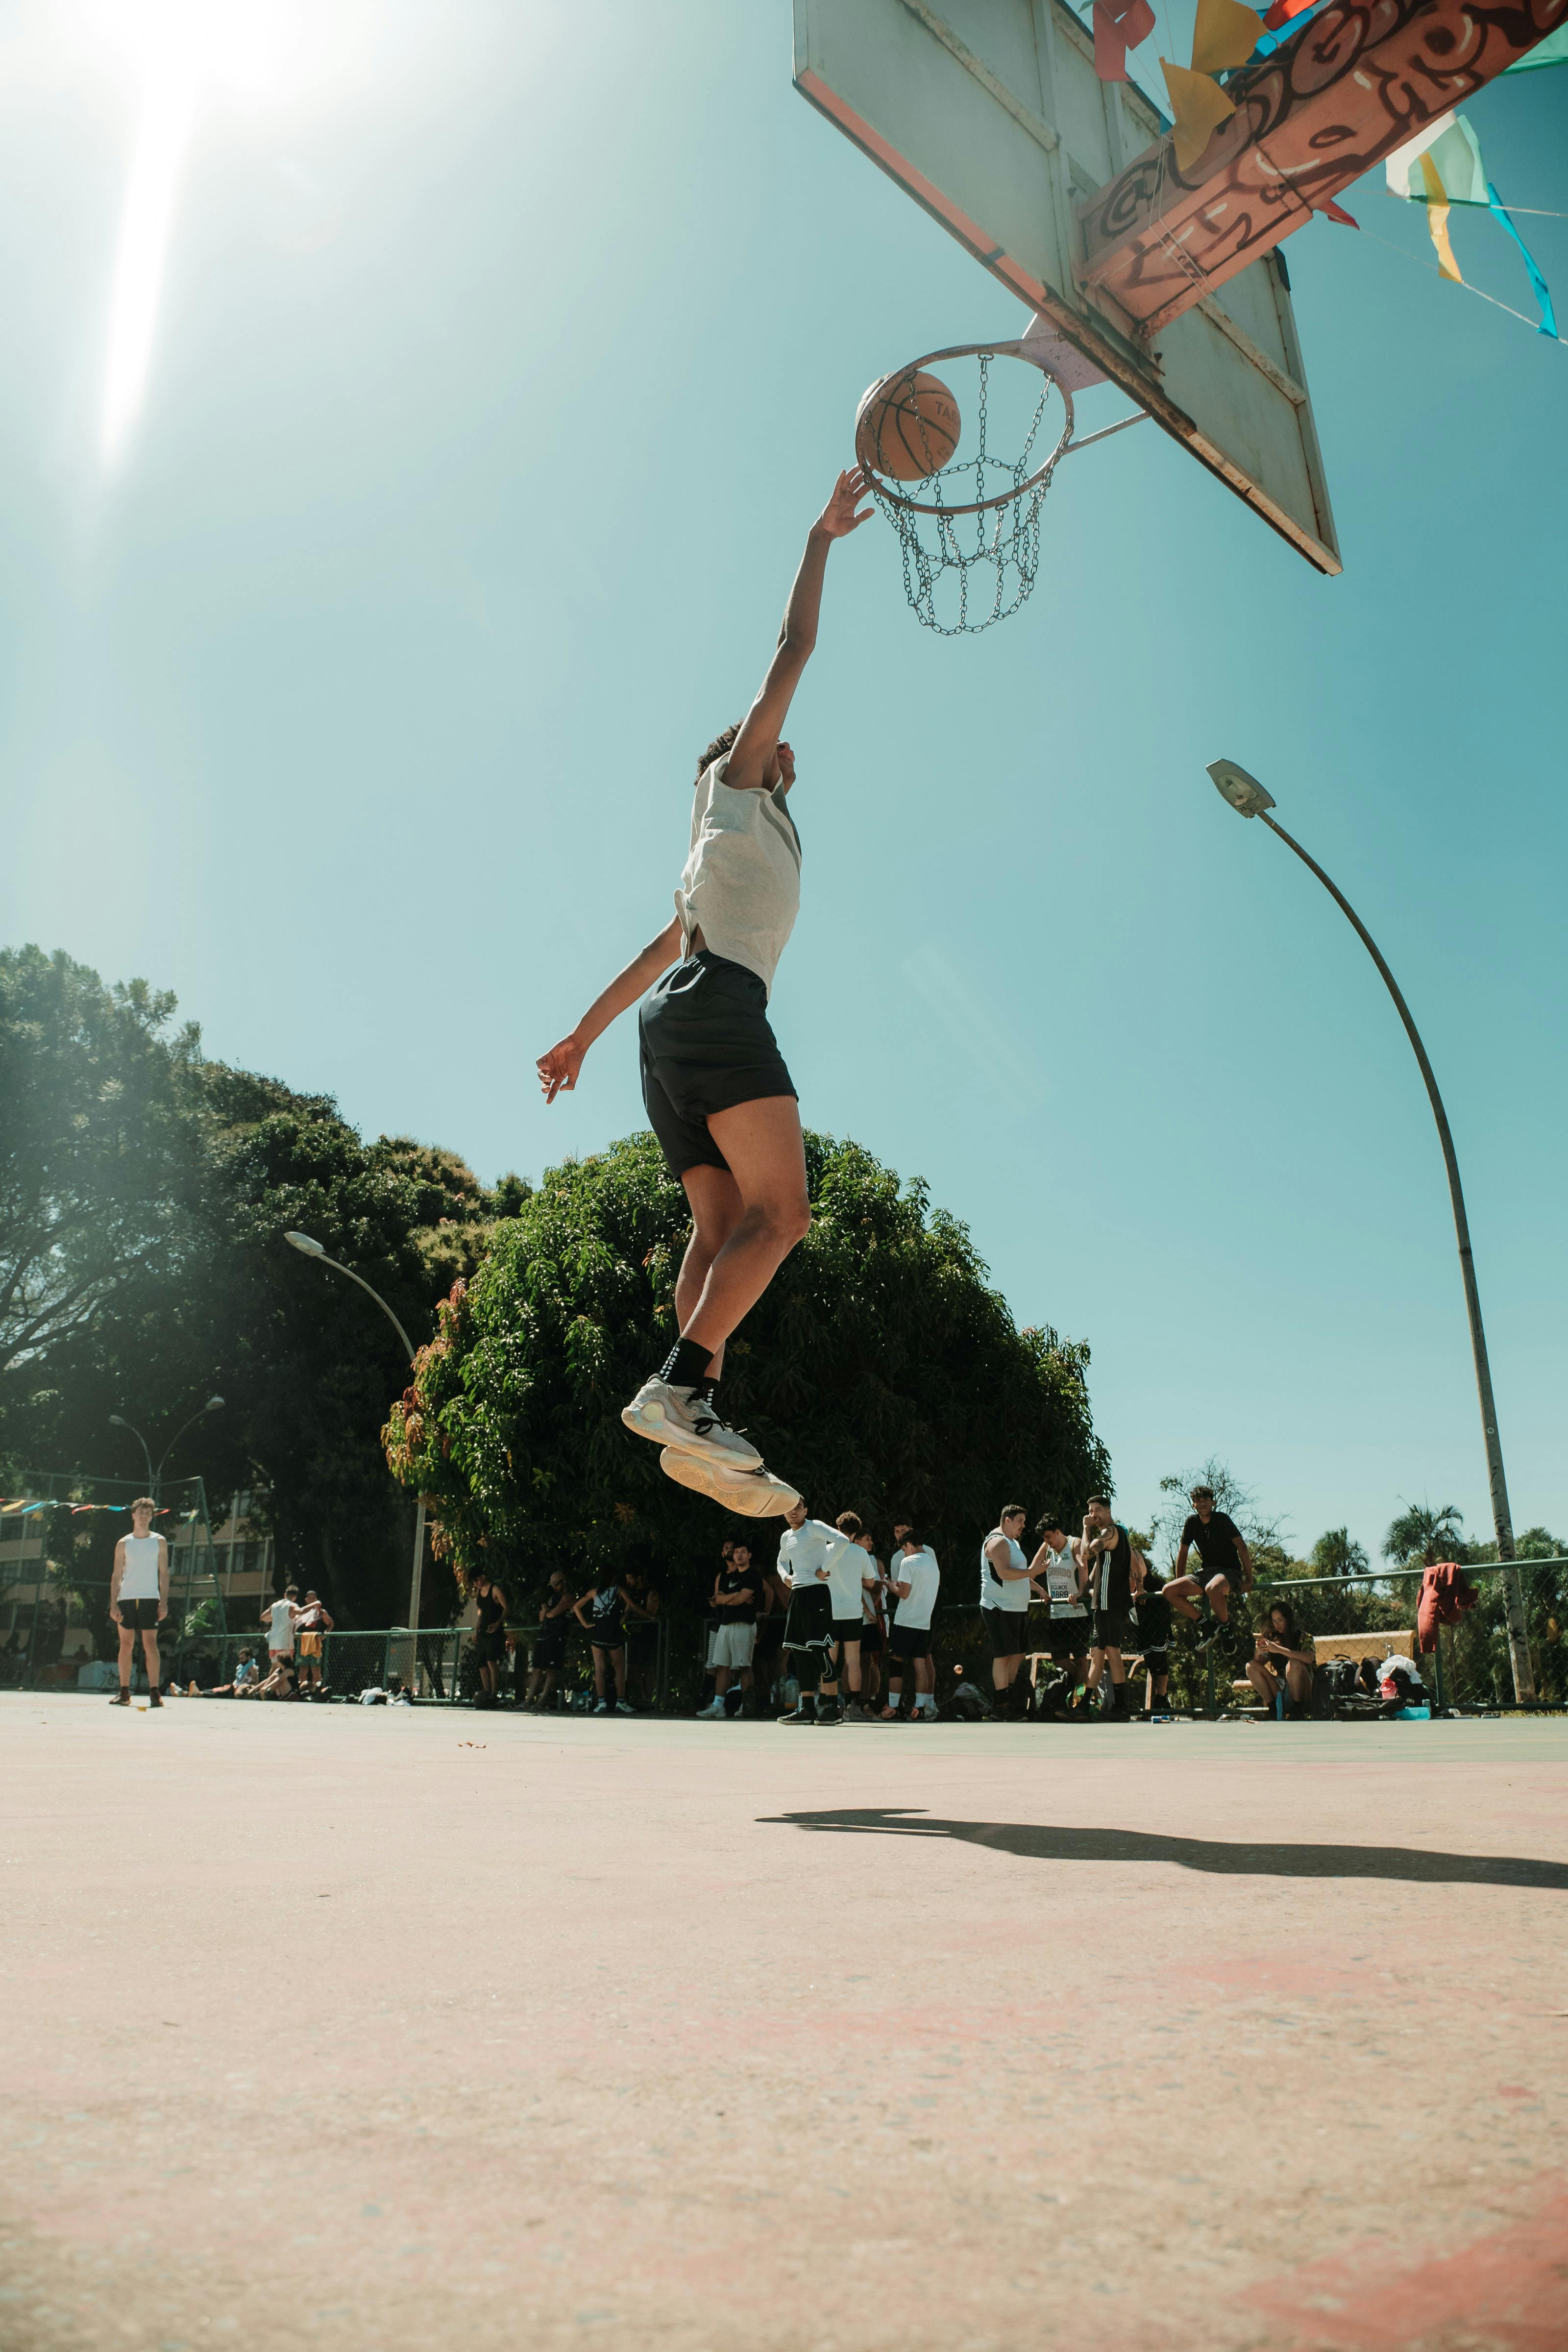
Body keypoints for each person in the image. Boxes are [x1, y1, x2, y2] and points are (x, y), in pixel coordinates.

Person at [535, 470, 874, 1517]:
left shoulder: (721, 848)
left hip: (668, 1023)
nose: (781, 743)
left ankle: (692, 1412)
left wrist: (579, 1041)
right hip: (719, 1007)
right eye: (763, 737)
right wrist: (819, 539)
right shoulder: (733, 790)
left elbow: (652, 957)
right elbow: (795, 650)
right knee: (784, 1214)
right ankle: (682, 1388)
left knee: (720, 1223)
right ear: (740, 753)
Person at [776, 1502, 857, 1725]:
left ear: (805, 1510)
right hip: (798, 1595)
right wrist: (786, 1578)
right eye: (789, 1508)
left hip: (817, 1593)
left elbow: (842, 1540)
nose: (793, 1512)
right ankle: (808, 1708)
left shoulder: (814, 1527)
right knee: (799, 1653)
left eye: (798, 1507)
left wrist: (825, 1568)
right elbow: (781, 1561)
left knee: (819, 1651)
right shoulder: (786, 1537)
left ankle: (832, 1707)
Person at [1166, 1484, 1254, 1655]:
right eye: (1198, 1501)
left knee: (1213, 1588)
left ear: (1213, 1503)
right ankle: (1207, 1625)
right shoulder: (1192, 1522)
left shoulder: (1222, 1519)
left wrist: (1248, 1579)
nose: (1202, 1504)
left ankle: (1227, 1632)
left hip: (1229, 1572)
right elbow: (1183, 1552)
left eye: (1206, 1500)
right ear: (1193, 1505)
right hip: (1207, 1572)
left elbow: (1242, 1546)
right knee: (1169, 1590)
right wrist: (1179, 1580)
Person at [1080, 1498, 1147, 1721]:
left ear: (1108, 1511)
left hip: (1110, 1601)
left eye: (1098, 1510)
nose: (1094, 1514)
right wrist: (1140, 1587)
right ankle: (1083, 1705)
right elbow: (1134, 1563)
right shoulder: (1121, 1534)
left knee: (1112, 1650)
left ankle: (1121, 1707)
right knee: (1098, 1655)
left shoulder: (1109, 1532)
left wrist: (1085, 1528)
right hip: (1104, 1601)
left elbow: (1086, 1554)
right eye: (1090, 1511)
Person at [979, 1506, 1041, 1720]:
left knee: (1018, 1654)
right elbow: (1004, 1573)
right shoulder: (997, 1542)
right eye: (1020, 1521)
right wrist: (1034, 1571)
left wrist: (1038, 1588)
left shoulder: (1014, 1543)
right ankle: (1001, 1705)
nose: (1023, 1526)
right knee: (1003, 1656)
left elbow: (1020, 1574)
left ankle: (1012, 1697)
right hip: (999, 1607)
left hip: (1017, 1609)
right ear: (1007, 1520)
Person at [108, 1497, 168, 1708]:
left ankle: (155, 1692)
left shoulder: (159, 1541)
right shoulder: (124, 1543)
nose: (144, 1516)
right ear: (133, 1515)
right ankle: (124, 1692)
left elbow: (164, 1574)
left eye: (148, 1513)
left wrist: (164, 1602)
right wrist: (114, 1604)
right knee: (126, 1644)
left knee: (150, 1643)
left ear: (152, 1517)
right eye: (140, 1513)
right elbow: (116, 1576)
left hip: (151, 1598)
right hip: (126, 1598)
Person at [1030, 1514, 1091, 1717]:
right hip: (1057, 1613)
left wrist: (1081, 1594)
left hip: (1078, 1613)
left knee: (1082, 1660)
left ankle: (1079, 1704)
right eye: (1045, 1538)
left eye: (1049, 1537)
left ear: (1058, 1532)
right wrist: (1041, 1591)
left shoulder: (1075, 1544)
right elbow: (1030, 1573)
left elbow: (1084, 1570)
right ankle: (1083, 1684)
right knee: (1060, 1661)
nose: (1047, 1541)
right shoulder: (1046, 1547)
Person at [696, 1541, 761, 1719]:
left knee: (744, 1666)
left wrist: (731, 1598)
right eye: (737, 1552)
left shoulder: (753, 1575)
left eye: (743, 1552)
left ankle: (747, 1706)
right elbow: (719, 1599)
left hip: (744, 1624)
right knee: (722, 1666)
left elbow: (742, 1600)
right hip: (725, 1625)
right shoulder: (727, 1577)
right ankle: (718, 1705)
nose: (739, 1555)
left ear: (750, 1555)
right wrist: (736, 1595)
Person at [882, 1531, 940, 1722]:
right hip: (924, 1623)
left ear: (908, 1545)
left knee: (896, 1664)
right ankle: (920, 1708)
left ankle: (893, 1708)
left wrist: (891, 1585)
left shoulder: (908, 1562)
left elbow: (904, 1593)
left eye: (903, 1549)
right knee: (920, 1664)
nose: (904, 1554)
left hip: (905, 1621)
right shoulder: (933, 1564)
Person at [573, 1571, 647, 1715]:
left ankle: (602, 1703)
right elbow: (633, 1606)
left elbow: (576, 1607)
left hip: (597, 1634)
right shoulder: (619, 1591)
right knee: (619, 1668)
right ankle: (621, 1702)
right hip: (613, 1634)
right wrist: (649, 1616)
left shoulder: (594, 1592)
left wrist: (586, 1625)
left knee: (599, 1669)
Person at [830, 1512, 870, 1720]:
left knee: (829, 1659)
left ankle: (827, 1703)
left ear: (837, 1528)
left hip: (831, 1612)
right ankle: (852, 1706)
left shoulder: (826, 1550)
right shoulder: (860, 1553)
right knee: (853, 1661)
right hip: (853, 1612)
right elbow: (871, 1582)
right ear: (855, 1533)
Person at [1248, 1600, 1315, 1716]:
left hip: (1303, 1689)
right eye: (1274, 1621)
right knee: (1251, 1666)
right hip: (1280, 1687)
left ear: (1288, 1619)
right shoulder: (1273, 1638)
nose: (1277, 1625)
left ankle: (1298, 1710)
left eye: (1280, 1620)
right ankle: (1273, 1708)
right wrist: (1259, 1652)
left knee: (1294, 1664)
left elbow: (1309, 1658)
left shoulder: (1303, 1637)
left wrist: (1278, 1649)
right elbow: (1258, 1664)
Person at [525, 1570, 575, 1711]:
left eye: (556, 1584)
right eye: (552, 1585)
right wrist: (545, 1612)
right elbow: (543, 1617)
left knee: (551, 1670)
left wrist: (546, 1613)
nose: (554, 1587)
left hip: (556, 1637)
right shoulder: (553, 1597)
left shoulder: (568, 1597)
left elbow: (553, 1614)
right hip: (544, 1635)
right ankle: (529, 1700)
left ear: (564, 1582)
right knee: (537, 1668)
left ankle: (542, 1701)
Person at [1133, 1565, 1176, 1716]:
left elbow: (1139, 1571)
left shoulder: (1133, 1555)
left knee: (1159, 1655)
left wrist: (1139, 1587)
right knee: (1149, 1658)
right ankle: (1160, 1700)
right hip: (1141, 1615)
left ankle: (1161, 1697)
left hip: (1156, 1610)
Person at [852, 1525, 886, 1714]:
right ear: (857, 1542)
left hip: (870, 1620)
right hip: (857, 1618)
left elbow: (876, 1588)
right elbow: (855, 1590)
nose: (871, 1543)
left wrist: (871, 1608)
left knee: (870, 1662)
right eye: (867, 1539)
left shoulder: (874, 1562)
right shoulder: (851, 1559)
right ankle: (855, 1702)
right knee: (856, 1661)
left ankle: (868, 1701)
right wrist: (868, 1611)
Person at [623, 1568, 661, 1710]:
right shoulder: (632, 1594)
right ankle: (640, 1697)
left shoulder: (651, 1593)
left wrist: (634, 1611)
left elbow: (651, 1615)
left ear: (639, 1578)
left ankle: (649, 1699)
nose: (628, 1582)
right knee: (633, 1667)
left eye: (631, 1578)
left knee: (647, 1667)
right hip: (634, 1635)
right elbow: (626, 1612)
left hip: (648, 1636)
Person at [471, 1568, 509, 1707]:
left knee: (491, 1661)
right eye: (474, 1582)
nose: (476, 1584)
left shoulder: (495, 1589)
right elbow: (480, 1613)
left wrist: (498, 1624)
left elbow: (506, 1608)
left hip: (494, 1631)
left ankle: (494, 1692)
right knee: (482, 1665)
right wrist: (476, 1631)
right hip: (483, 1632)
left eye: (477, 1580)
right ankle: (486, 1694)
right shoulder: (479, 1593)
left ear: (483, 1576)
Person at [294, 1590, 335, 1694]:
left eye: (314, 1598)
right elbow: (294, 1627)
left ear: (316, 1600)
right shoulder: (301, 1613)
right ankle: (302, 1690)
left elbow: (330, 1624)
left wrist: (325, 1634)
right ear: (306, 1600)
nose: (312, 1600)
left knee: (316, 1668)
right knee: (303, 1668)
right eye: (309, 1598)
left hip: (315, 1642)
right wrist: (296, 1637)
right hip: (303, 1643)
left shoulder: (321, 1613)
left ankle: (318, 1691)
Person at [261, 1585, 302, 1680]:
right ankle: (275, 1690)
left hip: (273, 1641)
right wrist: (315, 1604)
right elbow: (301, 1612)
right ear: (295, 1597)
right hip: (284, 1641)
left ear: (285, 1594)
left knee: (275, 1666)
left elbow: (263, 1617)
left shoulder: (275, 1605)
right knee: (284, 1667)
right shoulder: (291, 1605)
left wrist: (275, 1618)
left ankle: (268, 1689)